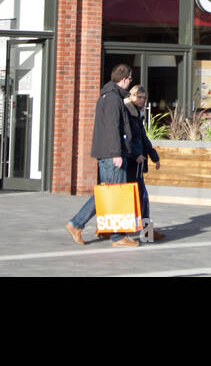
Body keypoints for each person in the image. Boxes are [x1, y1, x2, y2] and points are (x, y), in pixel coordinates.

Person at [64, 63, 140, 246]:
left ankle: (85, 225)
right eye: (130, 79)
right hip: (112, 153)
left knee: (108, 192)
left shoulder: (106, 96)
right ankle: (115, 235)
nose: (130, 82)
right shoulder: (113, 99)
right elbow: (112, 127)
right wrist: (117, 153)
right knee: (114, 194)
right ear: (124, 79)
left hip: (106, 153)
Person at [124, 84, 166, 241]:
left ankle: (147, 231)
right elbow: (128, 138)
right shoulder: (128, 113)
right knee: (138, 197)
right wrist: (136, 154)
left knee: (142, 197)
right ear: (132, 96)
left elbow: (142, 138)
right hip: (131, 163)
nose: (141, 100)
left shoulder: (137, 114)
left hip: (137, 162)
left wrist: (154, 155)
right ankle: (143, 231)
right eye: (138, 97)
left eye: (143, 98)